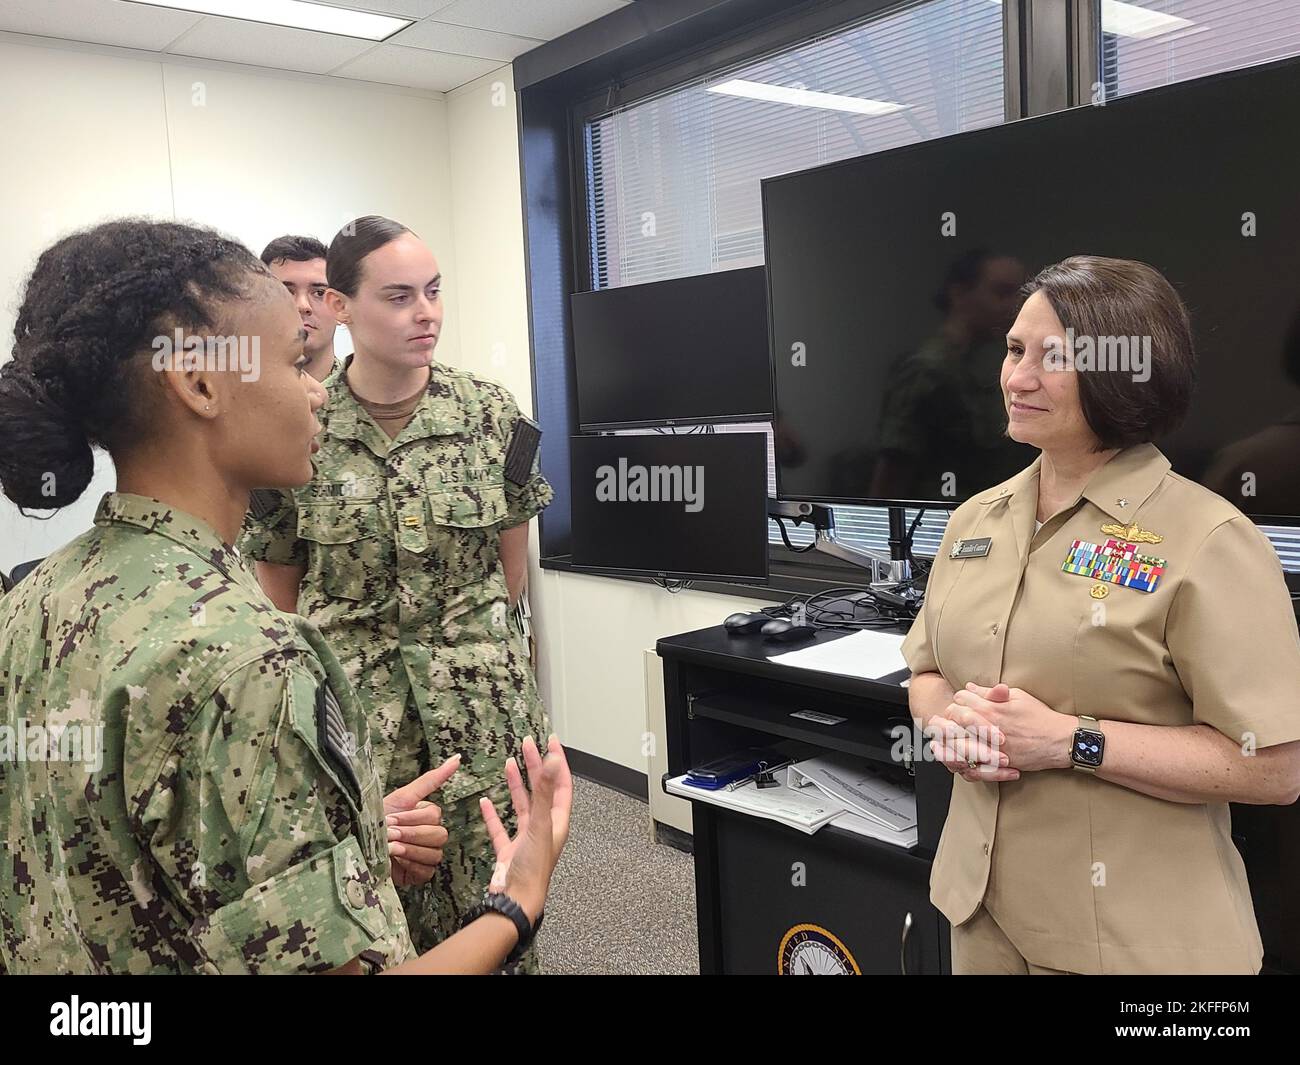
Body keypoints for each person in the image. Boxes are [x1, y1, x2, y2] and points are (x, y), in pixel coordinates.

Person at [0, 219, 570, 974]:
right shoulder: (249, 661)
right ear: (199, 383)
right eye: (291, 360)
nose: (313, 389)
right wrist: (518, 899)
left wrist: (355, 825)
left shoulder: (34, 597)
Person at [902, 254, 1300, 975]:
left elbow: (1274, 769)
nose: (1017, 378)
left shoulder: (1209, 540)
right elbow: (926, 669)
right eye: (1015, 349)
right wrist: (945, 724)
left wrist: (1067, 741)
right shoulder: (973, 520)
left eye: (1054, 357)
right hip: (982, 912)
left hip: (1134, 943)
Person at [239, 215, 553, 966]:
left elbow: (509, 571)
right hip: (361, 734)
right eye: (400, 295)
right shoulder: (298, 422)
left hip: (483, 719)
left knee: (506, 906)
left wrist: (465, 654)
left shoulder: (489, 413)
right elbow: (281, 594)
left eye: (435, 292)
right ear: (340, 307)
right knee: (378, 926)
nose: (427, 313)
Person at [260, 234, 340, 384]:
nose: (303, 306)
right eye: (286, 292)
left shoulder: (372, 395)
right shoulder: (233, 397)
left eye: (319, 293)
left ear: (340, 307)